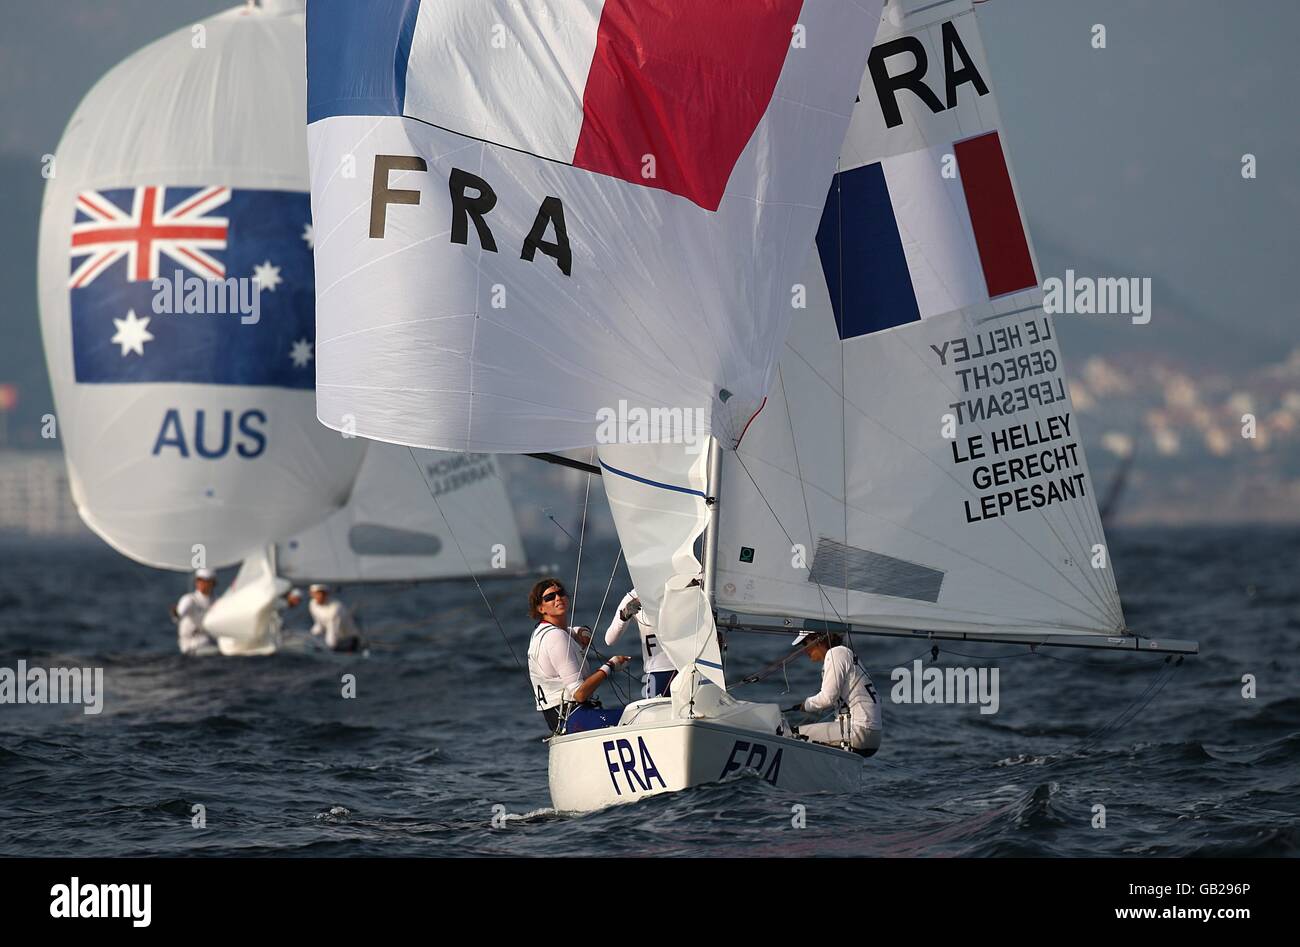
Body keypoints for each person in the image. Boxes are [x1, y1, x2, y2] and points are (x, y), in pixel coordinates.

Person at [527, 577, 630, 734]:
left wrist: (583, 630)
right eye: (550, 597)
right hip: (574, 719)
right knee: (635, 716)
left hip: (560, 720)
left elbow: (569, 631)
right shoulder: (556, 637)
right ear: (541, 608)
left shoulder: (541, 632)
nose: (558, 598)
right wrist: (610, 666)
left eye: (561, 593)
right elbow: (580, 694)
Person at [786, 631, 882, 756]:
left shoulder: (836, 653)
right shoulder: (844, 654)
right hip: (871, 735)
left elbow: (827, 699)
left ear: (817, 639)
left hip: (858, 731)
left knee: (788, 735)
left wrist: (806, 705)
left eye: (805, 643)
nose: (804, 650)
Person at [604, 588, 677, 698]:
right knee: (656, 714)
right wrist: (625, 614)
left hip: (692, 666)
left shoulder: (682, 584)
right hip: (659, 670)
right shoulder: (633, 596)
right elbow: (609, 639)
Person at [308, 584, 363, 652]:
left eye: (321, 593)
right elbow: (319, 624)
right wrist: (309, 638)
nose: (319, 596)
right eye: (316, 594)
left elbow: (332, 632)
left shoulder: (335, 608)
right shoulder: (312, 604)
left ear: (326, 594)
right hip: (334, 638)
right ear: (311, 594)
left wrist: (328, 649)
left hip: (349, 640)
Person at [175, 568, 218, 655]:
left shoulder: (216, 601)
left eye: (206, 581)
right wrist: (176, 613)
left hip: (210, 643)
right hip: (191, 646)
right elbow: (179, 613)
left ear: (212, 583)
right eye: (199, 580)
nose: (202, 583)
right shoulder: (190, 599)